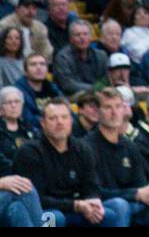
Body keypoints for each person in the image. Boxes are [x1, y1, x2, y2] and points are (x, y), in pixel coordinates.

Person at [13, 98, 129, 228]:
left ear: (71, 121)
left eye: (64, 117)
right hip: (45, 211)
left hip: (78, 209)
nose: (60, 122)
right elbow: (35, 200)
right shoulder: (29, 152)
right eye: (53, 118)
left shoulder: (82, 148)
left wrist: (93, 200)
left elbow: (91, 186)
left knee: (116, 207)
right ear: (43, 123)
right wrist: (76, 205)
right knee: (55, 218)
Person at [86, 89, 149, 227]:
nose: (114, 112)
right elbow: (94, 192)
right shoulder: (86, 146)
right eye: (108, 107)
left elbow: (140, 184)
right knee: (120, 205)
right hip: (105, 205)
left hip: (132, 203)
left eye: (118, 106)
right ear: (97, 111)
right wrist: (136, 194)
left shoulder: (130, 146)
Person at [0, 85, 41, 227]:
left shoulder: (32, 131)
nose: (13, 106)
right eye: (8, 102)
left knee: (17, 209)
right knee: (25, 190)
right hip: (10, 187)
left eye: (17, 102)